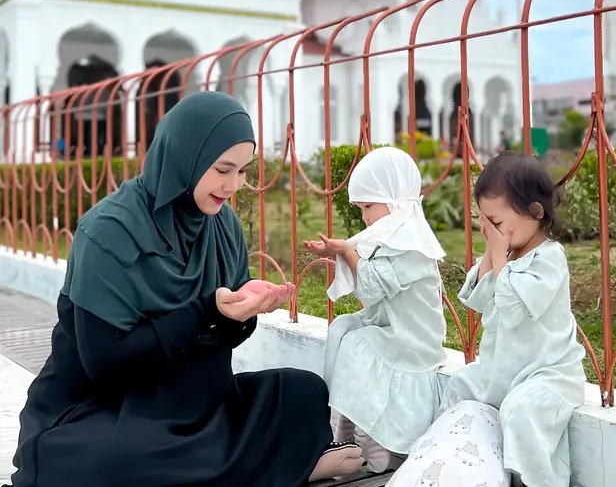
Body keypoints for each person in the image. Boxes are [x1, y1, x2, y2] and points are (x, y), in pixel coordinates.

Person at [9, 91, 363, 487]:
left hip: (198, 403)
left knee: (304, 390)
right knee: (109, 459)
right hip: (104, 408)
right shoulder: (108, 232)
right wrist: (205, 311)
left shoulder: (222, 225)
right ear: (185, 155)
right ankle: (282, 463)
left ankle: (244, 464)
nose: (233, 185)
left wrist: (242, 312)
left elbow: (223, 335)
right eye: (223, 169)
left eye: (243, 171)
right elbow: (105, 366)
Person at [440, 152, 586, 487]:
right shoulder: (505, 255)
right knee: (459, 386)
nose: (491, 232)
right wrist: (493, 252)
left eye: (497, 223)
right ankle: (460, 464)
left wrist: (498, 255)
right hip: (502, 371)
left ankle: (538, 481)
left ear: (535, 212)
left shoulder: (549, 259)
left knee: (520, 412)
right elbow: (478, 299)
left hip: (547, 374)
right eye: (485, 223)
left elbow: (514, 307)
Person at [304, 146, 447, 475]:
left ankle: (374, 437)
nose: (365, 217)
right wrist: (341, 249)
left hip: (413, 337)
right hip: (389, 324)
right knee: (343, 329)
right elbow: (365, 269)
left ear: (394, 198)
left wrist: (345, 251)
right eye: (361, 209)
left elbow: (370, 287)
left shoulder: (412, 243)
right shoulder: (391, 232)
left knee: (360, 344)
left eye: (368, 206)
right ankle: (348, 421)